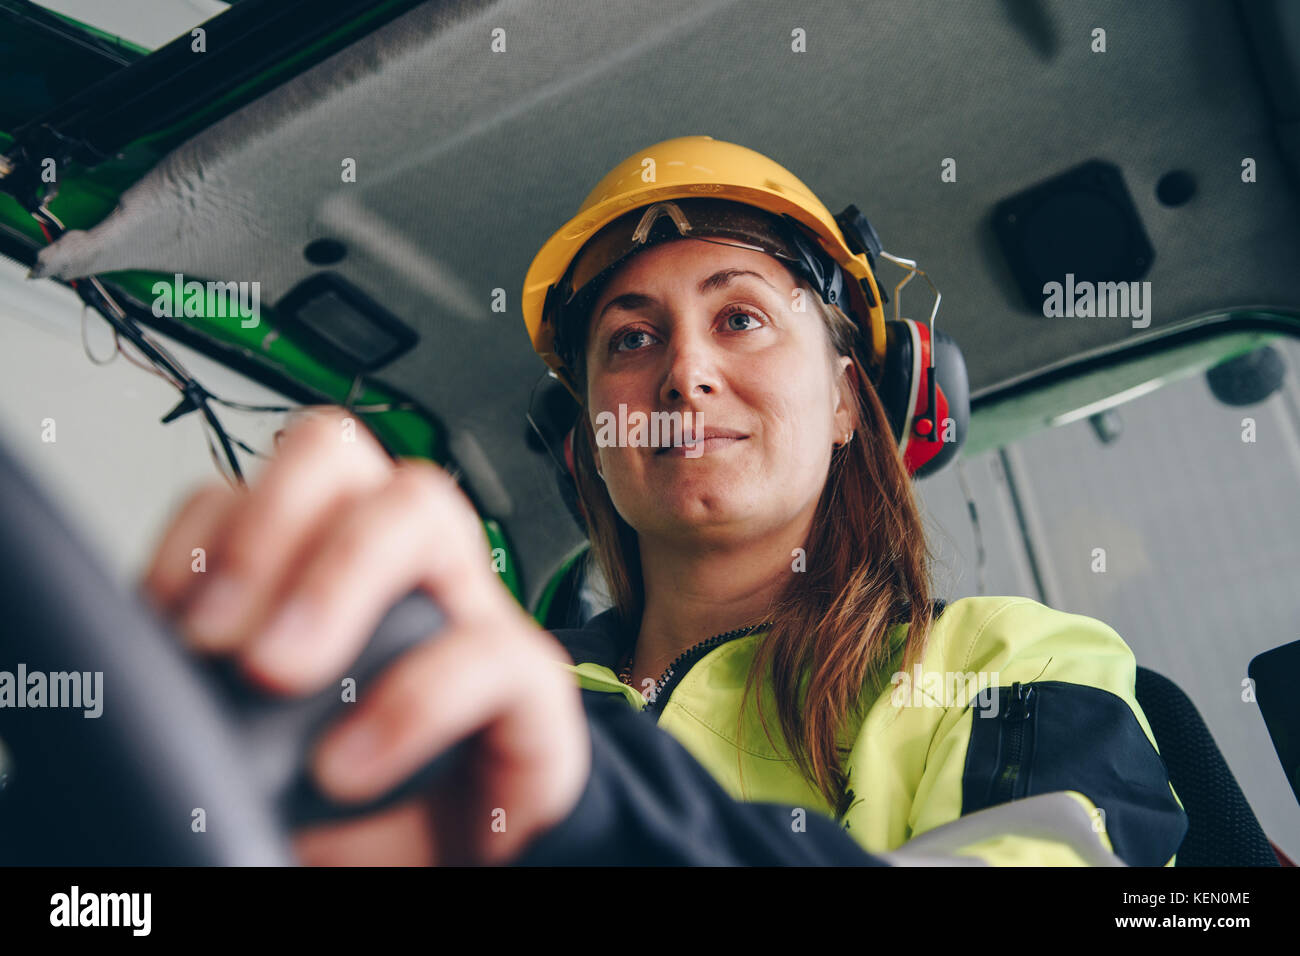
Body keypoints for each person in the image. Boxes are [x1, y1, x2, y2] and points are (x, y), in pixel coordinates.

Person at [142, 136, 1187, 866]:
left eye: (739, 318)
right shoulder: (467, 684)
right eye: (631, 339)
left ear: (843, 399)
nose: (683, 372)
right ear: (589, 441)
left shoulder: (1012, 663)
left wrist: (603, 820)